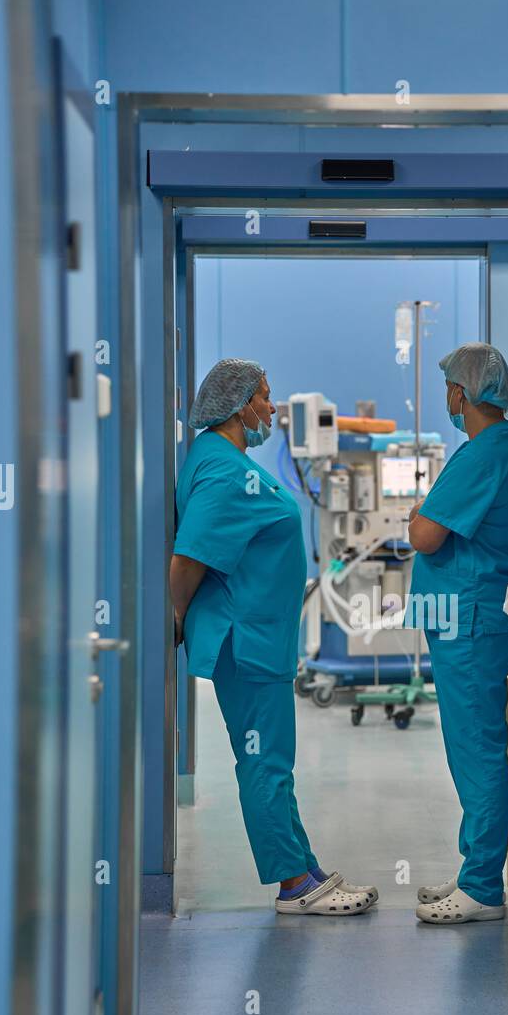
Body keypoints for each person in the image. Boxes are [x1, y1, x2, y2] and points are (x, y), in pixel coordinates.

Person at [170, 357, 376, 915]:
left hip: (260, 637)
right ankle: (292, 886)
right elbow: (190, 554)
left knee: (274, 759)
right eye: (264, 397)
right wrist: (176, 613)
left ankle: (304, 867)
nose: (272, 407)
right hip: (247, 640)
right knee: (263, 761)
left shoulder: (225, 460)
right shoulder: (221, 467)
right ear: (239, 407)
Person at [408, 343, 508, 924]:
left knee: (478, 747)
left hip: (472, 618)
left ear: (464, 393)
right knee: (467, 747)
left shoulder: (490, 450)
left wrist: (419, 517)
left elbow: (426, 534)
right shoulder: (484, 450)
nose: (447, 398)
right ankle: (473, 871)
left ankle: (484, 886)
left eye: (449, 388)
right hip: (460, 615)